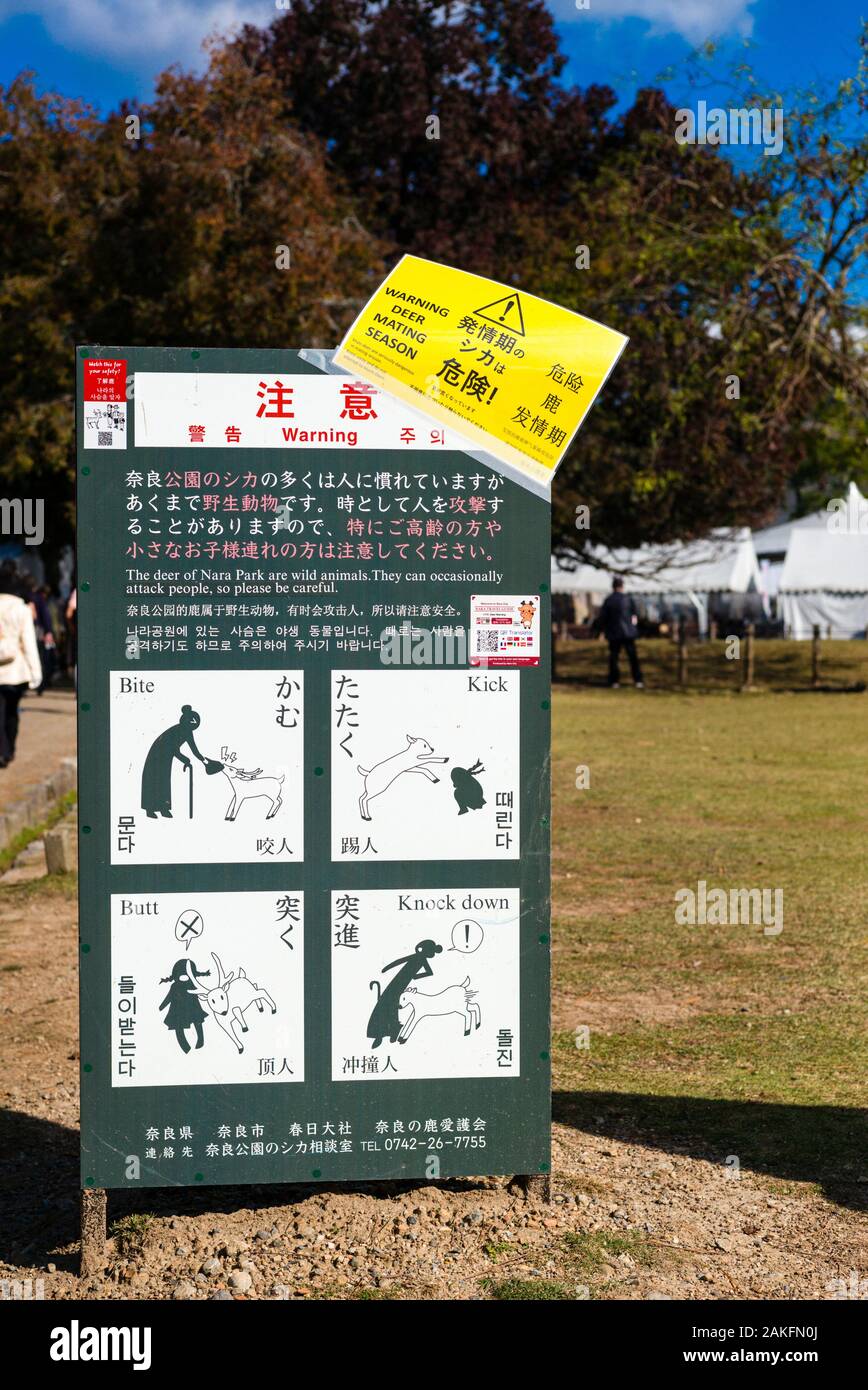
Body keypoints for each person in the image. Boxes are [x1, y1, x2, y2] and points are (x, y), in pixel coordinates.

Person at [0, 561, 43, 766]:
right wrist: (36, 673)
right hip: (15, 672)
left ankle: (3, 749)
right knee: (12, 712)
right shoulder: (21, 608)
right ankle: (9, 751)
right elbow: (28, 643)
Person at [598, 577, 644, 688]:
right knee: (633, 657)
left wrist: (602, 630)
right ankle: (638, 680)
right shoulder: (628, 599)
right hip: (629, 633)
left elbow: (603, 618)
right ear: (622, 586)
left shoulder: (608, 600)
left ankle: (614, 681)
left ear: (612, 587)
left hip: (614, 633)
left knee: (614, 658)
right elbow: (636, 614)